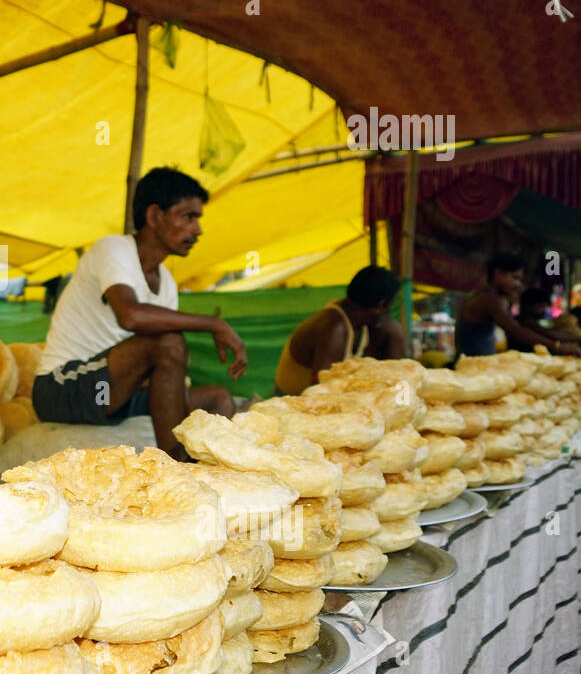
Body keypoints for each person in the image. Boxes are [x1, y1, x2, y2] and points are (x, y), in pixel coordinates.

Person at [33, 167, 246, 462]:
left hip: (116, 395)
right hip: (64, 389)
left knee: (218, 399)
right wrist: (214, 323)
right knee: (168, 342)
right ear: (155, 216)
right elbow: (130, 316)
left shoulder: (167, 284)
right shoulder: (113, 249)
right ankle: (175, 465)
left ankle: (201, 469)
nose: (197, 230)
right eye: (188, 217)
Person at [274, 265, 407, 395]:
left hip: (315, 397)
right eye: (390, 305)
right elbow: (320, 390)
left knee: (392, 327)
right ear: (382, 305)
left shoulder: (360, 322)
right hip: (291, 403)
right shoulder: (334, 327)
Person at [457, 253, 581, 357]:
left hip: (475, 362)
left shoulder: (485, 295)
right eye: (515, 277)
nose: (518, 284)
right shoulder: (490, 299)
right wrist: (557, 346)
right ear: (499, 273)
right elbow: (515, 330)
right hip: (474, 365)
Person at [508, 287, 581, 353]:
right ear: (528, 307)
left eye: (545, 306)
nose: (544, 310)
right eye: (541, 306)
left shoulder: (528, 321)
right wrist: (579, 339)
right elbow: (548, 333)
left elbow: (549, 332)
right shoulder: (524, 321)